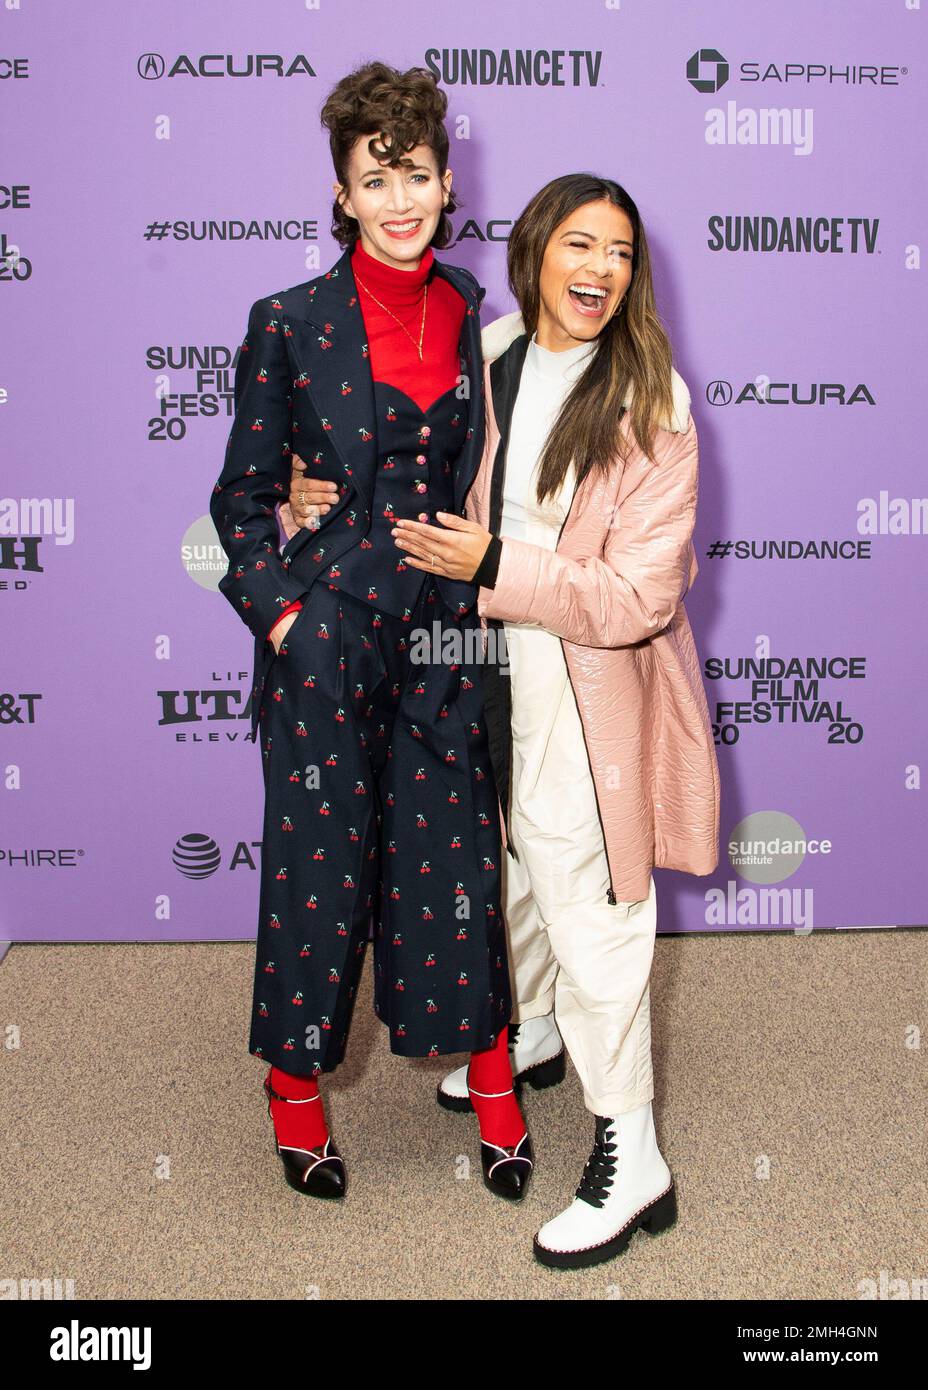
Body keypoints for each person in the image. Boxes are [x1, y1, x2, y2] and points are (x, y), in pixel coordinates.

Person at [285, 172, 719, 1266]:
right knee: (506, 868)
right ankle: (526, 1033)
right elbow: (407, 473)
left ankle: (635, 1156)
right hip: (469, 662)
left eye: (620, 253)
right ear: (534, 251)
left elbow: (637, 600)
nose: (600, 271)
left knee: (593, 912)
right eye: (579, 244)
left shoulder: (654, 403)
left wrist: (495, 566)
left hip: (584, 682)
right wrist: (316, 492)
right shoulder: (487, 351)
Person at [209, 61, 532, 1203]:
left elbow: (489, 468)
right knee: (316, 871)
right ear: (342, 193)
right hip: (329, 629)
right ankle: (294, 1092)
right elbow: (241, 501)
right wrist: (286, 615)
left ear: (450, 185)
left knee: (454, 863)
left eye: (421, 176)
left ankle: (493, 1084)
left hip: (444, 630)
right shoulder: (286, 323)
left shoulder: (471, 312)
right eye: (376, 178)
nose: (402, 200)